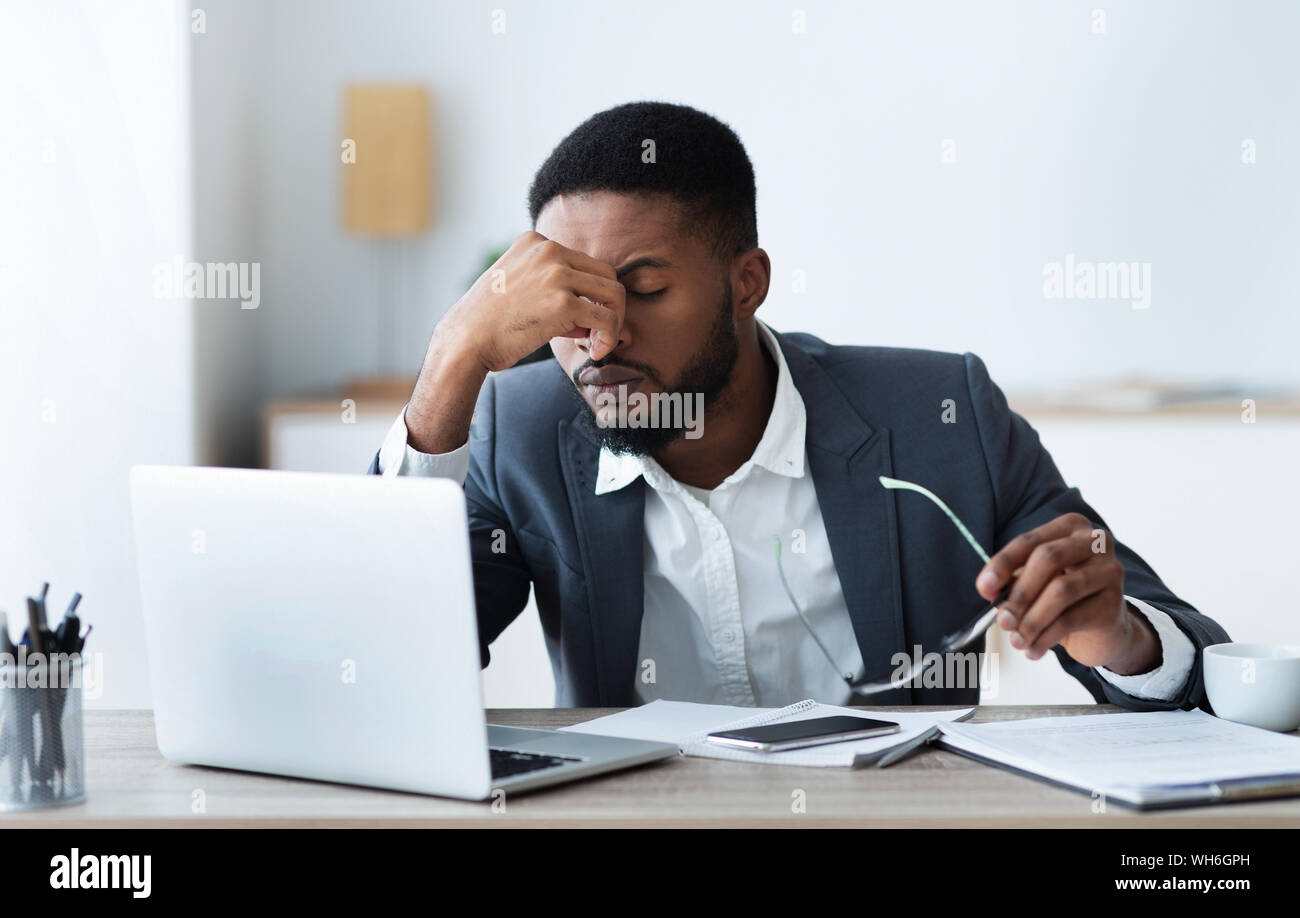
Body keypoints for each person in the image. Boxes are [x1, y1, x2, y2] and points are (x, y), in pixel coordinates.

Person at [369, 101, 1228, 709]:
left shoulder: (942, 413)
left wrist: (1118, 635)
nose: (600, 340)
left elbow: (1201, 667)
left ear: (747, 284)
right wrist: (454, 360)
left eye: (646, 289)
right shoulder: (517, 428)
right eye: (571, 301)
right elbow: (391, 670)